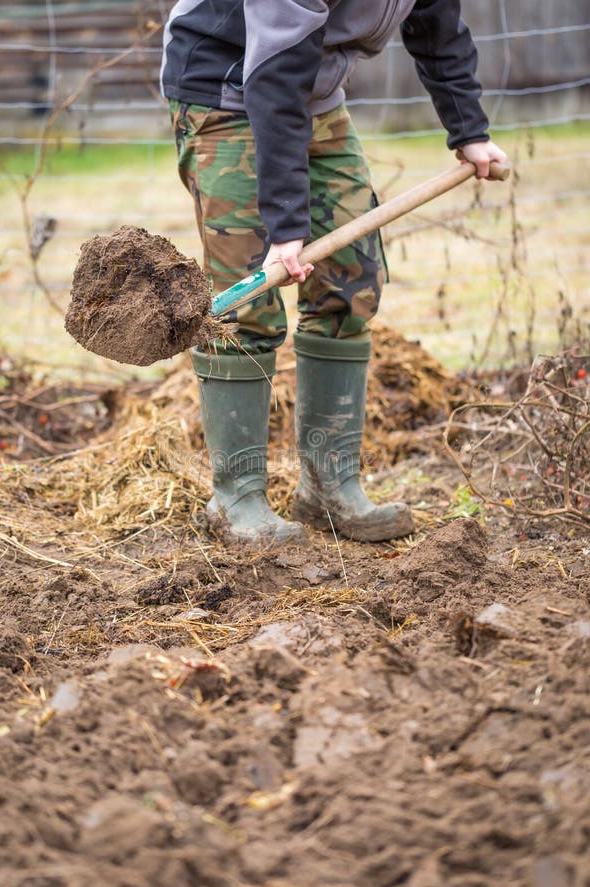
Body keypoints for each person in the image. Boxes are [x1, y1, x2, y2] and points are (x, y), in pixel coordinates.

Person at [161, 0, 507, 545]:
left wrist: (469, 128)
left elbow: (438, 24)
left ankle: (328, 489)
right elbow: (274, 69)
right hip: (226, 87)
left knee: (352, 281)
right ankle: (237, 498)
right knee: (246, 299)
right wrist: (285, 224)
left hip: (315, 96)